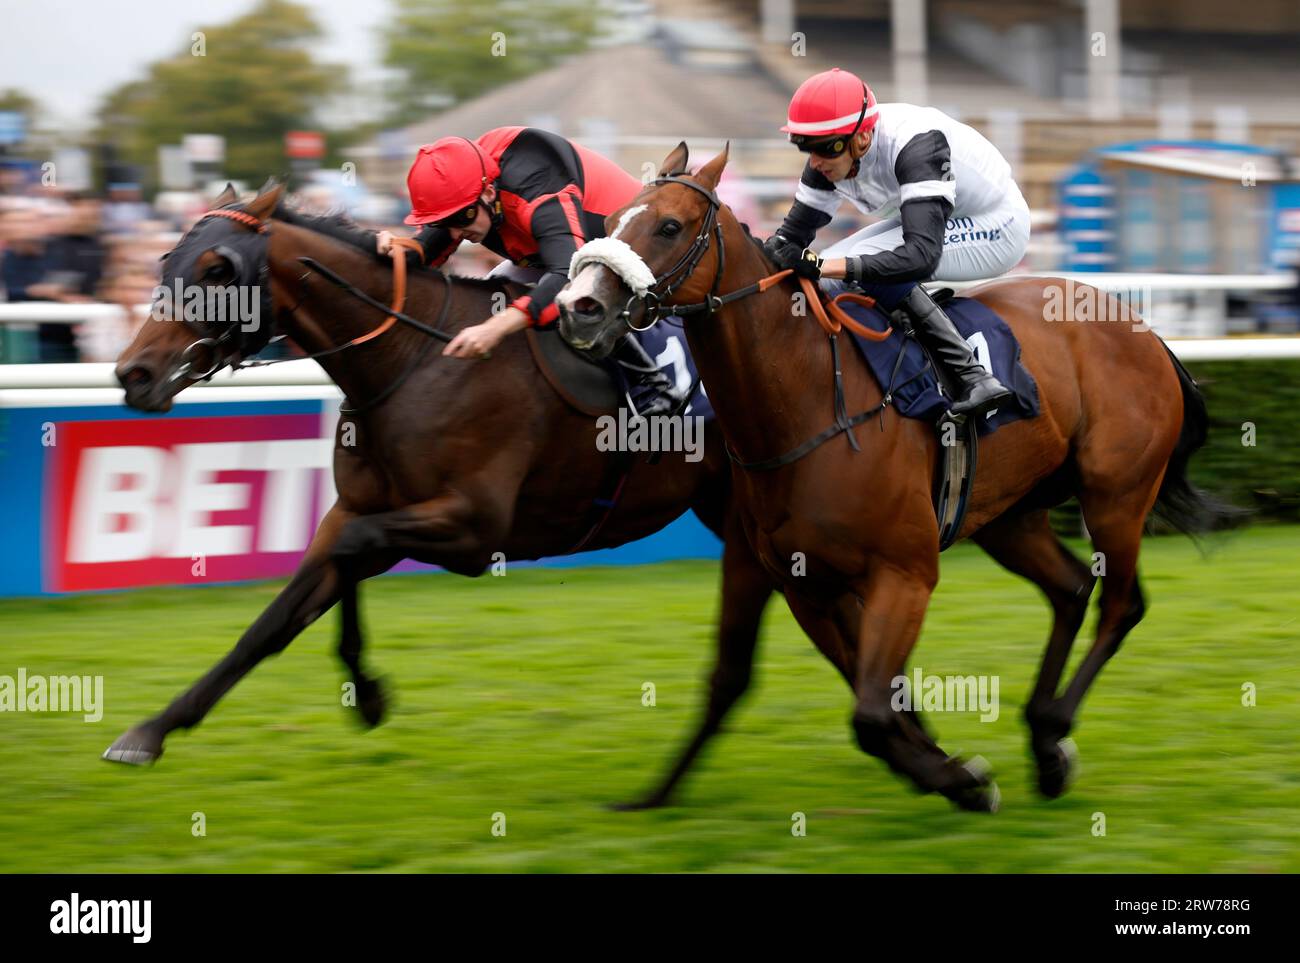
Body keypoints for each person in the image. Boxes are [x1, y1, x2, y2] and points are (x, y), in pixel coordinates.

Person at [762, 67, 1025, 417]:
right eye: (804, 148)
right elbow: (788, 242)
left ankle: (971, 376)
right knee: (830, 273)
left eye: (823, 149)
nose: (814, 162)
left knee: (853, 263)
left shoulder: (916, 146)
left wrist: (822, 264)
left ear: (862, 137)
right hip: (939, 220)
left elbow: (920, 257)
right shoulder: (828, 157)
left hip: (997, 224)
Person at [376, 127, 684, 416]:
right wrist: (394, 247)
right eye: (445, 223)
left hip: (630, 249)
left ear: (488, 194)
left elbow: (566, 276)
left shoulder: (538, 186)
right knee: (494, 289)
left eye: (462, 218)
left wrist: (495, 328)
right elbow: (424, 252)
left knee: (576, 304)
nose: (456, 233)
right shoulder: (465, 194)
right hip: (557, 253)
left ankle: (654, 385)